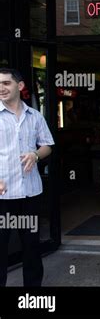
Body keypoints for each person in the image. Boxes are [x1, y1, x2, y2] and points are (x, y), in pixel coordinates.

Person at [0, 68, 54, 286]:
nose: (1, 88)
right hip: (2, 197)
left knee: (31, 247)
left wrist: (35, 154)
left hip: (30, 194)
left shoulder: (35, 116)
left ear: (19, 86)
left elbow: (48, 145)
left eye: (6, 83)